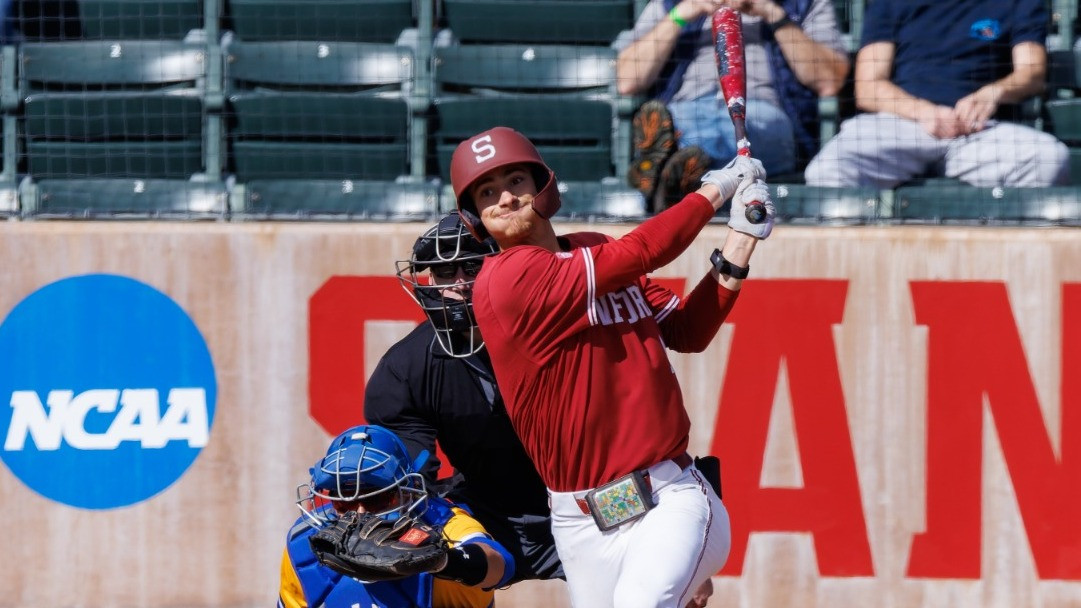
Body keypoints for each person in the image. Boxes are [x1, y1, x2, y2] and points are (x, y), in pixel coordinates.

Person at [449, 125, 774, 608]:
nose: (505, 199)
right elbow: (645, 249)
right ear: (475, 215)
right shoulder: (506, 279)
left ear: (542, 186)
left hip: (670, 497)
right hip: (580, 522)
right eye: (487, 192)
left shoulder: (592, 248)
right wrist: (717, 190)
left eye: (515, 180)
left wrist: (740, 244)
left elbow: (687, 331)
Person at [364, 212, 565, 586]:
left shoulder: (564, 335)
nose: (456, 285)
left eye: (471, 266)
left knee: (662, 584)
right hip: (488, 514)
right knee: (379, 554)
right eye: (443, 272)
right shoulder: (404, 368)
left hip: (589, 503)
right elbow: (411, 478)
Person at [804, 0, 1069, 188]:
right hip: (901, 124)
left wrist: (994, 92)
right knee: (828, 169)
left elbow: (1032, 73)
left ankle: (1003, 262)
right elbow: (868, 87)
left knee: (1048, 159)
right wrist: (923, 112)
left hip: (978, 130)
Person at [278, 424, 515, 608]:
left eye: (375, 499)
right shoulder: (305, 542)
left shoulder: (441, 522)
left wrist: (442, 562)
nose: (359, 513)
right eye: (344, 501)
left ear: (406, 492)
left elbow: (500, 567)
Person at [615, 0, 849, 186]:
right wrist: (681, 14)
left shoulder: (803, 4)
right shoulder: (670, 3)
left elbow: (830, 80)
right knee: (674, 120)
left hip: (763, 116)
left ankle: (666, 163)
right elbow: (627, 79)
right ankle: (681, 169)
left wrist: (774, 14)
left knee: (728, 129)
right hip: (686, 108)